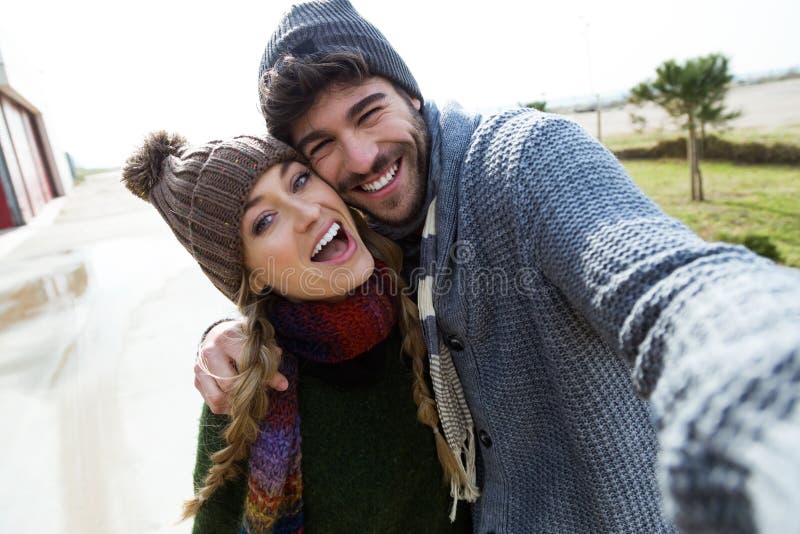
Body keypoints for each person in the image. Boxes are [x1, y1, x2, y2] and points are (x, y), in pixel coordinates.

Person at [196, 1, 800, 532]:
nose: (361, 157)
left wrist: (763, 389)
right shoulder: (372, 242)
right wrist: (226, 334)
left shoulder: (522, 160)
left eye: (368, 112)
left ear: (412, 94)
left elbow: (660, 279)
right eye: (321, 146)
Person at [122, 131, 473, 532]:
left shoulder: (430, 295)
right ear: (251, 275)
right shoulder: (246, 387)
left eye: (300, 180)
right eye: (265, 221)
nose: (307, 213)